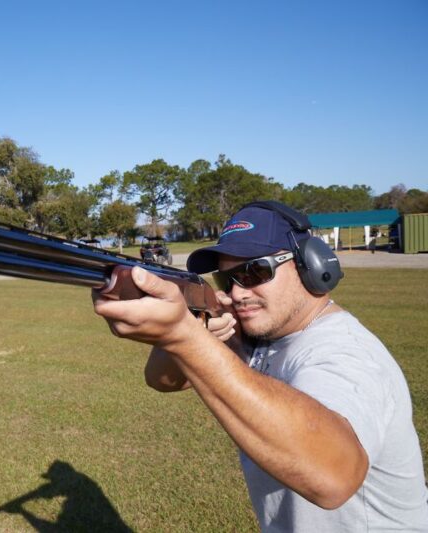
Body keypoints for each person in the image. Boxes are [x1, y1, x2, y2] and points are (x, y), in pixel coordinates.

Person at [93, 201, 428, 532]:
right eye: (227, 279)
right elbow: (161, 380)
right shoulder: (260, 335)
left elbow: (333, 477)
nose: (238, 293)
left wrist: (185, 337)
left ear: (309, 264)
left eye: (255, 272)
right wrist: (197, 329)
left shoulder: (345, 353)